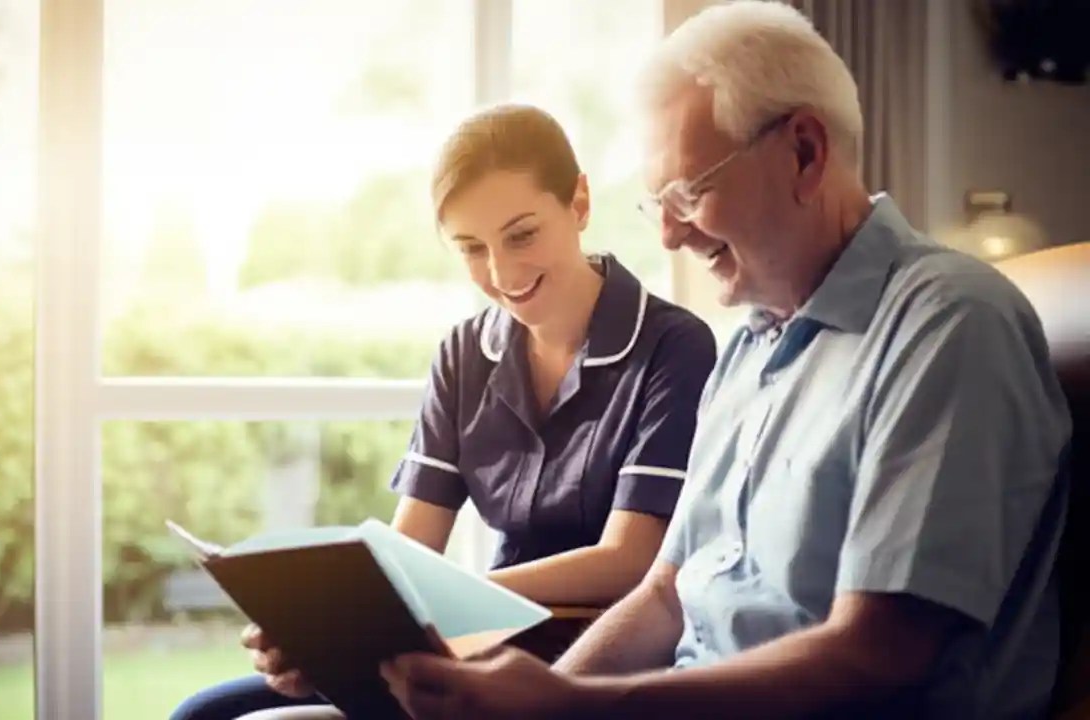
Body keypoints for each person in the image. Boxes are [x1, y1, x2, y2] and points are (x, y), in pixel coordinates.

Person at [258, 2, 1073, 718]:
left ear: (804, 153)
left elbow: (877, 654)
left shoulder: (947, 323)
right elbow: (663, 593)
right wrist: (533, 708)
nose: (669, 233)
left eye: (690, 194)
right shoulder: (749, 350)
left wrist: (574, 708)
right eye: (659, 203)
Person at [169, 103, 717, 720]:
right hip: (474, 645)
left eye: (522, 235)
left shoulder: (674, 347)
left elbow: (629, 562)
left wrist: (449, 597)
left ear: (580, 203)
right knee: (206, 712)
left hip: (597, 658)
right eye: (471, 248)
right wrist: (328, 638)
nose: (501, 272)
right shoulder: (464, 354)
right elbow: (410, 549)